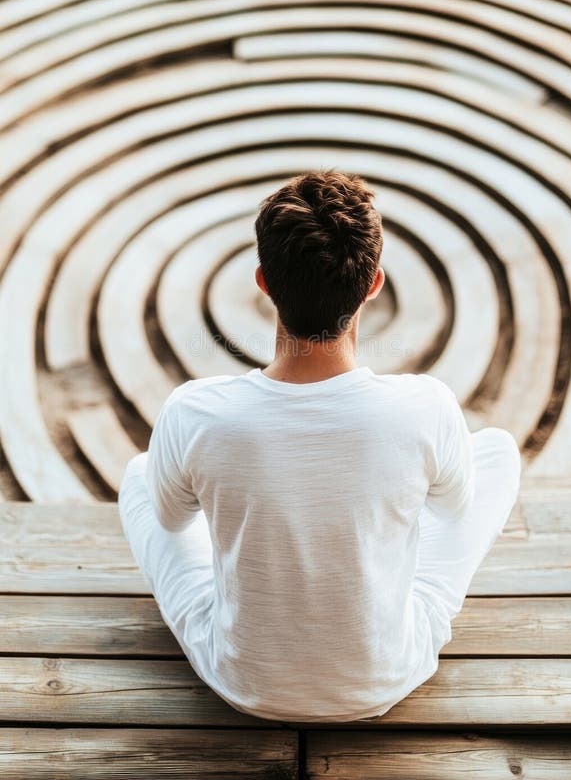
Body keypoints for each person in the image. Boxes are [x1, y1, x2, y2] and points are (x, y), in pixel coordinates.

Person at [119, 170, 521, 723]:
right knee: (497, 449)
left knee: (141, 472)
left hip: (243, 681)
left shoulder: (194, 410)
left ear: (263, 282)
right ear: (374, 283)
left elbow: (170, 521)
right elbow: (452, 513)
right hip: (387, 674)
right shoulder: (426, 405)